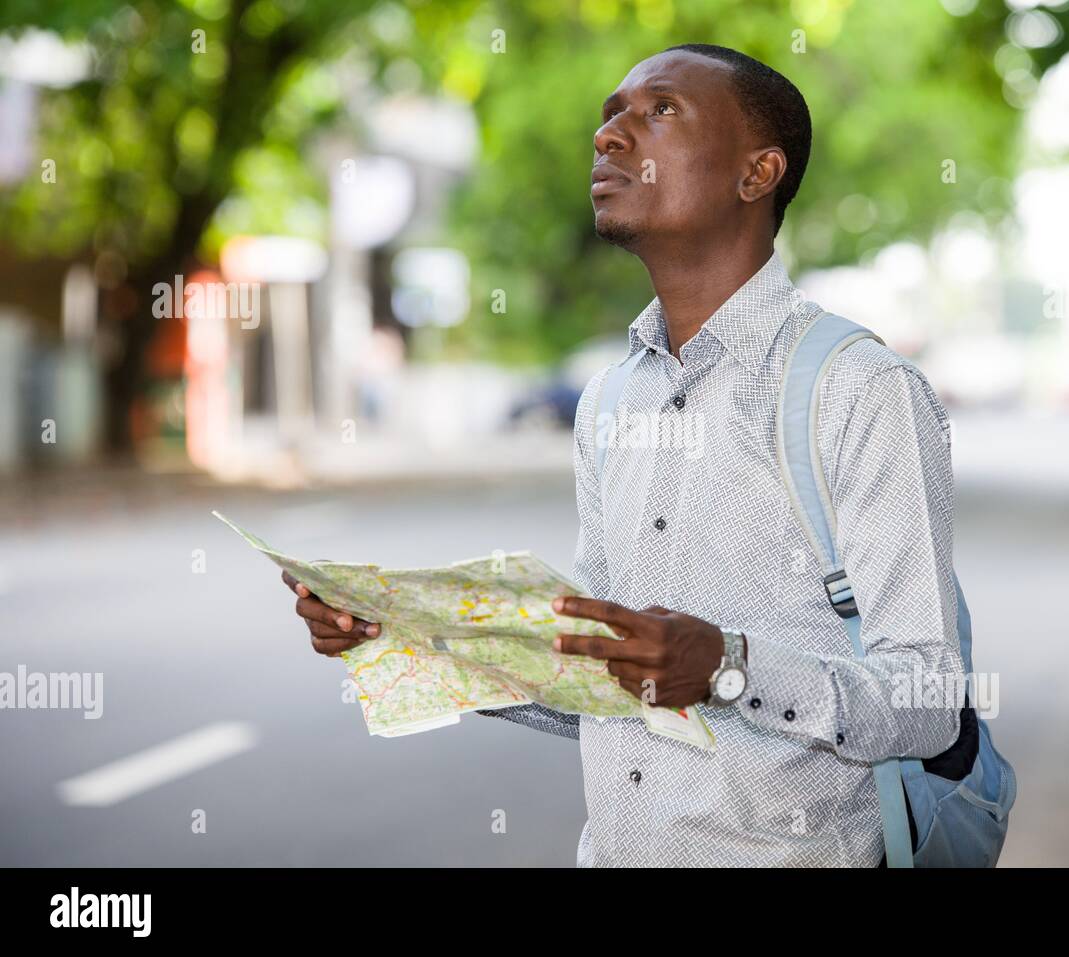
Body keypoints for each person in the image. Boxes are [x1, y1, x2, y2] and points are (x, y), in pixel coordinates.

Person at [284, 43, 968, 867]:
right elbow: (605, 686)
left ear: (757, 174)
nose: (610, 136)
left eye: (660, 111)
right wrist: (408, 633)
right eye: (612, 113)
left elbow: (929, 699)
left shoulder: (861, 389)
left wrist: (729, 665)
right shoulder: (611, 401)